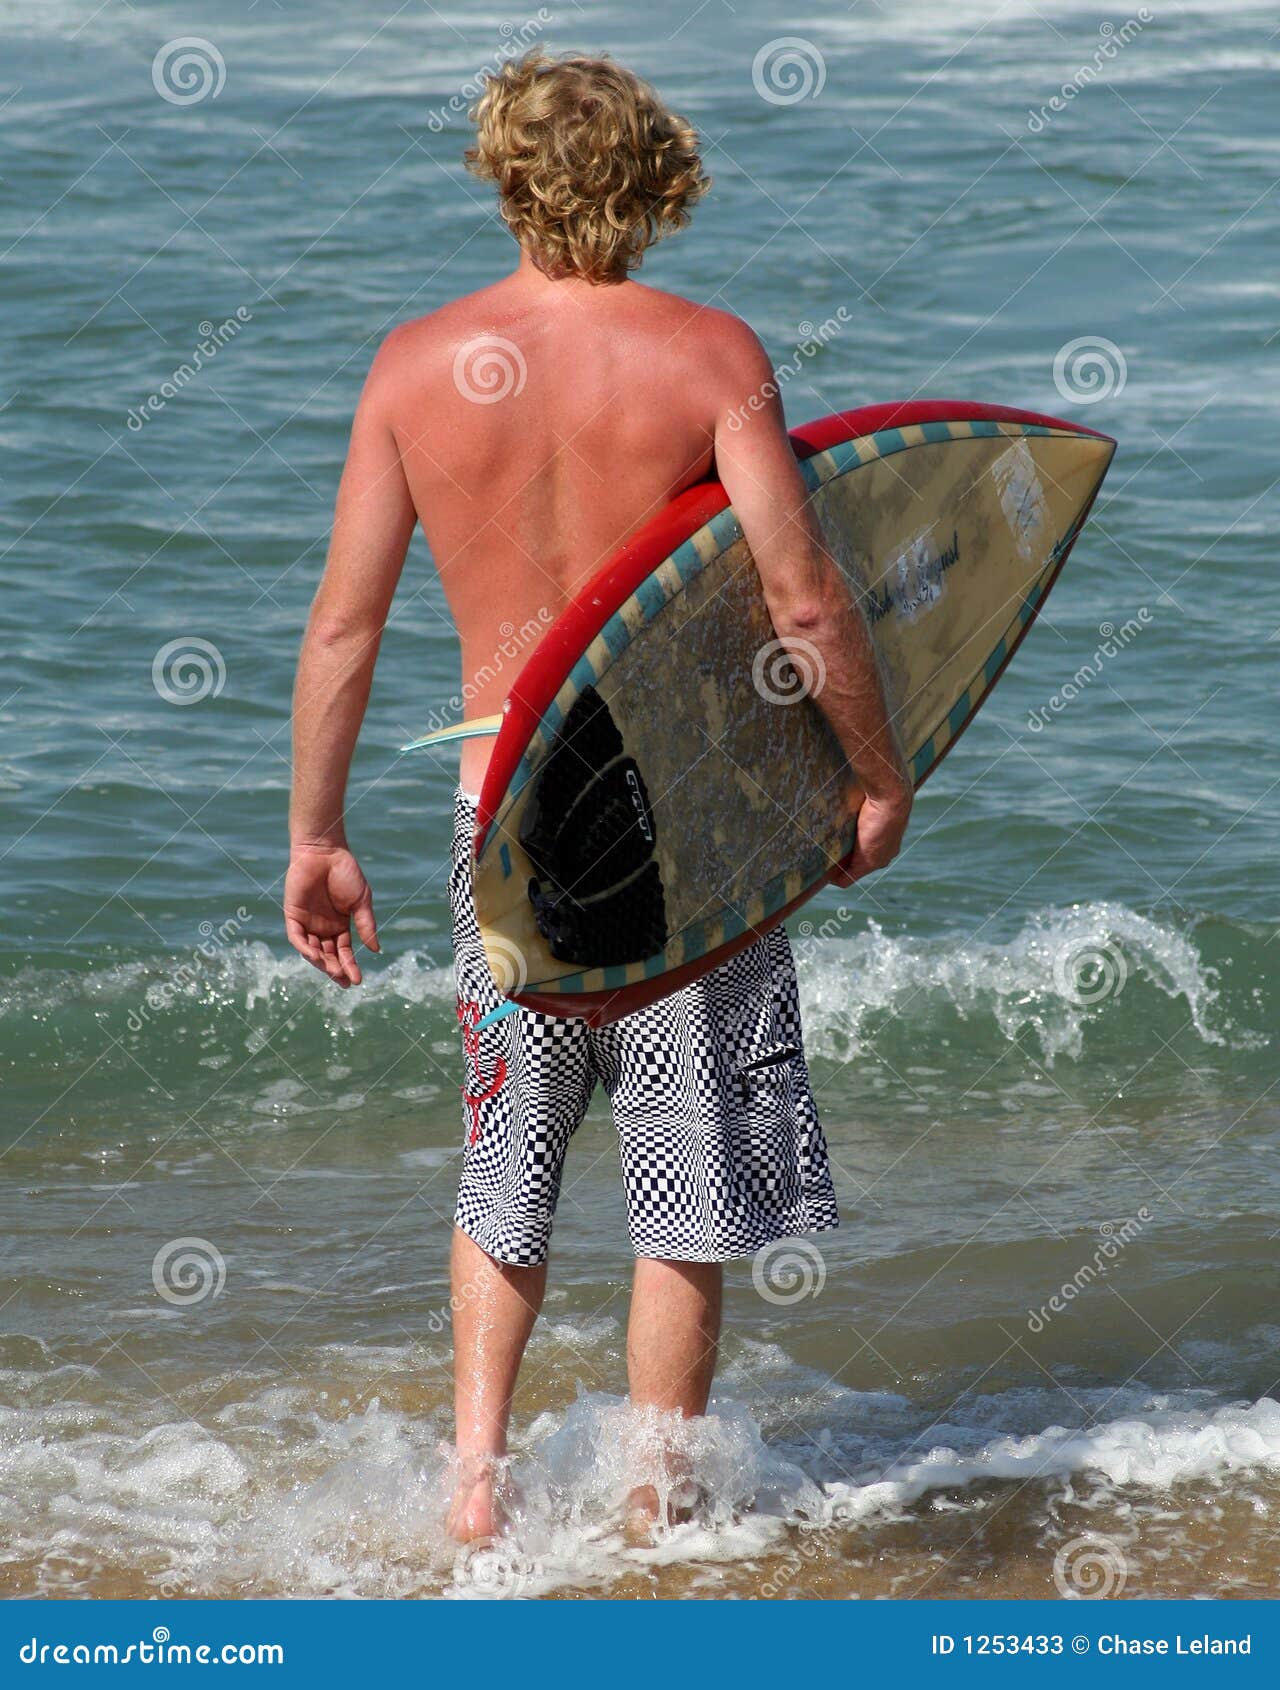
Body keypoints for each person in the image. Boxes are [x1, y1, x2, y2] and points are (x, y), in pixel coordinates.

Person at [285, 50, 911, 1544]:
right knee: (683, 1182)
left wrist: (316, 834)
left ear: (504, 177)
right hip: (688, 814)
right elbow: (807, 600)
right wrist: (876, 779)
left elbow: (344, 630)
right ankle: (654, 1505)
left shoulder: (412, 365)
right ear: (656, 180)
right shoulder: (709, 359)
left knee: (507, 1153)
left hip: (502, 808)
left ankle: (475, 1486)